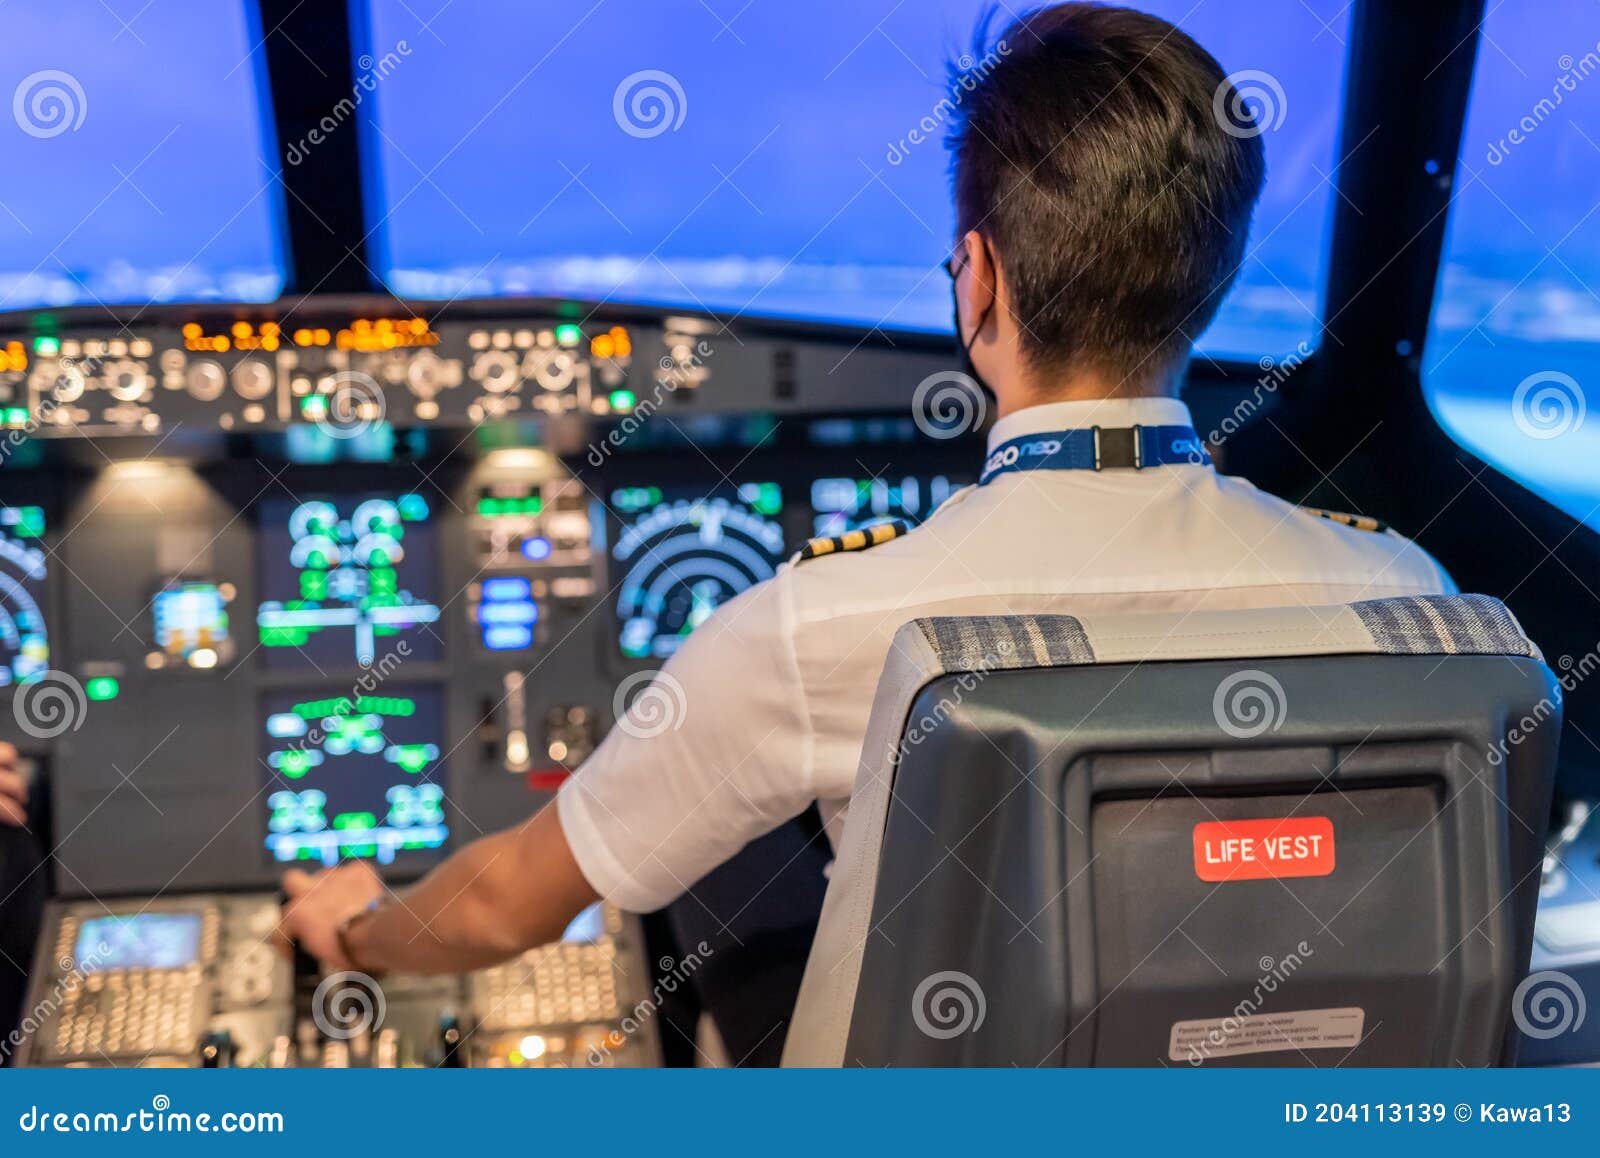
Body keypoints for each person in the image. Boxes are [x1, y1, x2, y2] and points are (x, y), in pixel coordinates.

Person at [278, 3, 1452, 984]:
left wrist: (354, 929)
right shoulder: (1405, 601)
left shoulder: (825, 628)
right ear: (1212, 281)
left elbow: (507, 907)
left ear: (977, 281)